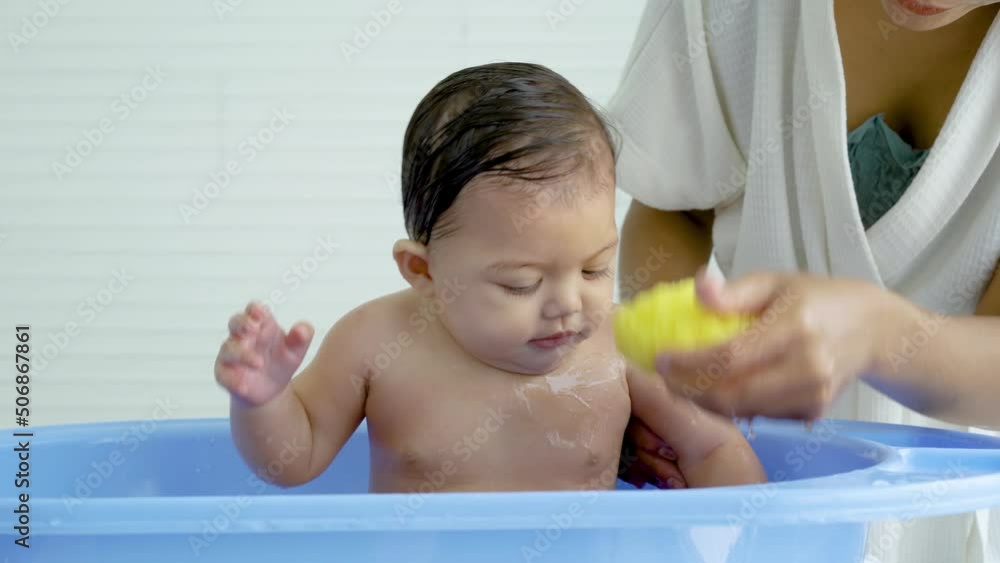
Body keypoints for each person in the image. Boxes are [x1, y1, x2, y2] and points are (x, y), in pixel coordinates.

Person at [212, 61, 765, 496]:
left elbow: (714, 449)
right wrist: (262, 401)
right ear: (423, 271)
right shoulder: (374, 343)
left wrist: (767, 539)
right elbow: (293, 461)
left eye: (595, 268)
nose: (569, 304)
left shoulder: (621, 347)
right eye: (521, 284)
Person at [608, 1, 1000, 561]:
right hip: (738, 489)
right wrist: (676, 390)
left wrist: (877, 335)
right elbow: (671, 208)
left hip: (934, 514)